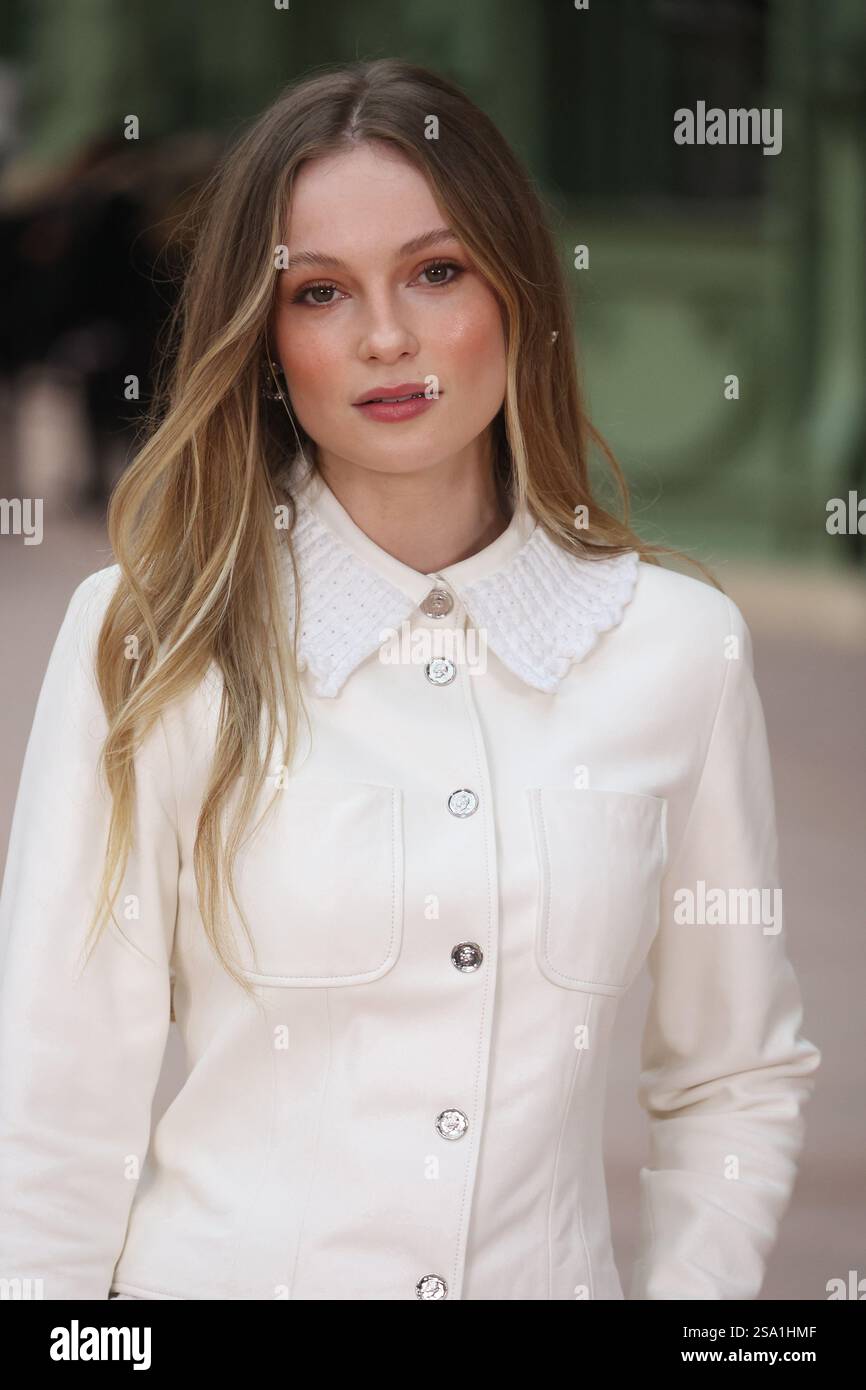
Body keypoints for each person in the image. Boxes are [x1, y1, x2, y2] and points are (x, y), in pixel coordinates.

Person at [0, 58, 820, 1302]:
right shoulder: (146, 635)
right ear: (266, 338)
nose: (385, 337)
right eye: (320, 291)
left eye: (435, 272)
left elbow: (730, 1076)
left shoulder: (676, 650)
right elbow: (52, 1107)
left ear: (518, 291)